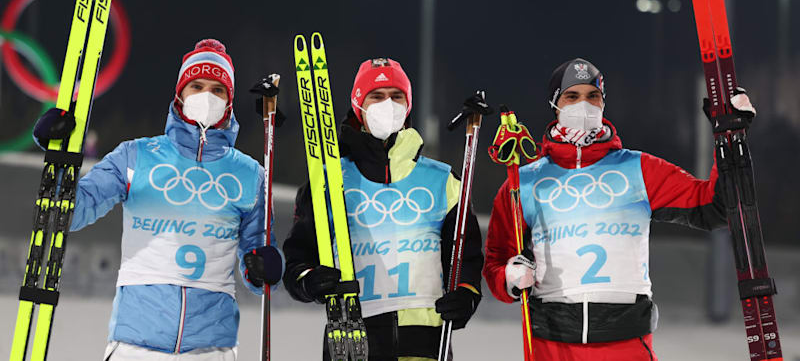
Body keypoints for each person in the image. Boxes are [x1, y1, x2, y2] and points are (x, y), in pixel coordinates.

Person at [482, 58, 755, 361]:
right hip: (552, 342)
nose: (583, 105)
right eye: (572, 96)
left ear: (603, 103)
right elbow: (495, 260)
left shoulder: (639, 168)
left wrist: (729, 139)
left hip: (625, 341)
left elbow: (715, 207)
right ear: (554, 104)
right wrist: (509, 277)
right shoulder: (524, 182)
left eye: (592, 96)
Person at [33, 39, 283, 360]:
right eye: (197, 86)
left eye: (217, 90)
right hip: (135, 345)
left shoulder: (250, 174)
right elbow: (70, 213)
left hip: (211, 349)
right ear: (180, 94)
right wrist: (55, 158)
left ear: (230, 101)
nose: (207, 96)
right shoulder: (135, 156)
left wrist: (268, 268)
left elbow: (259, 272)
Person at [282, 58, 484, 360]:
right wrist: (310, 281)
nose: (387, 104)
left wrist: (466, 295)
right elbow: (298, 259)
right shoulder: (327, 182)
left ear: (408, 105)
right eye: (376, 96)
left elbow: (466, 256)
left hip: (426, 346)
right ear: (358, 106)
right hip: (351, 343)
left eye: (396, 96)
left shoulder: (443, 181)